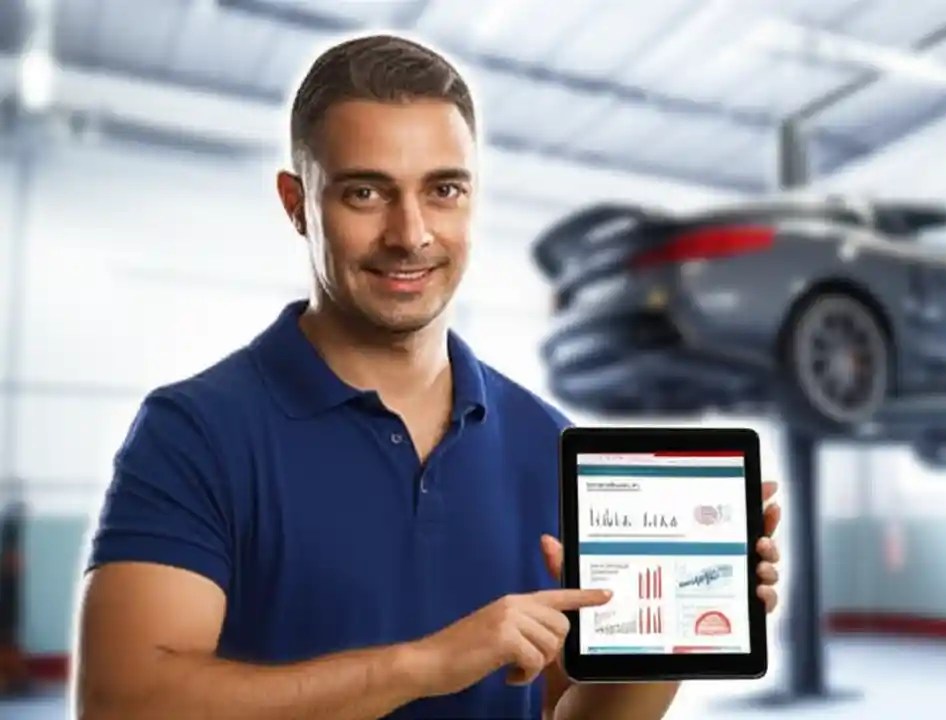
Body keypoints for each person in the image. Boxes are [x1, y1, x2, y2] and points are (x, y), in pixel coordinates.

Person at [71, 33, 783, 720]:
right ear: (297, 205)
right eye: (365, 194)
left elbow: (571, 713)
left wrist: (673, 631)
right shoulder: (195, 432)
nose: (410, 233)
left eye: (443, 190)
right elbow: (124, 704)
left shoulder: (547, 441)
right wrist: (427, 666)